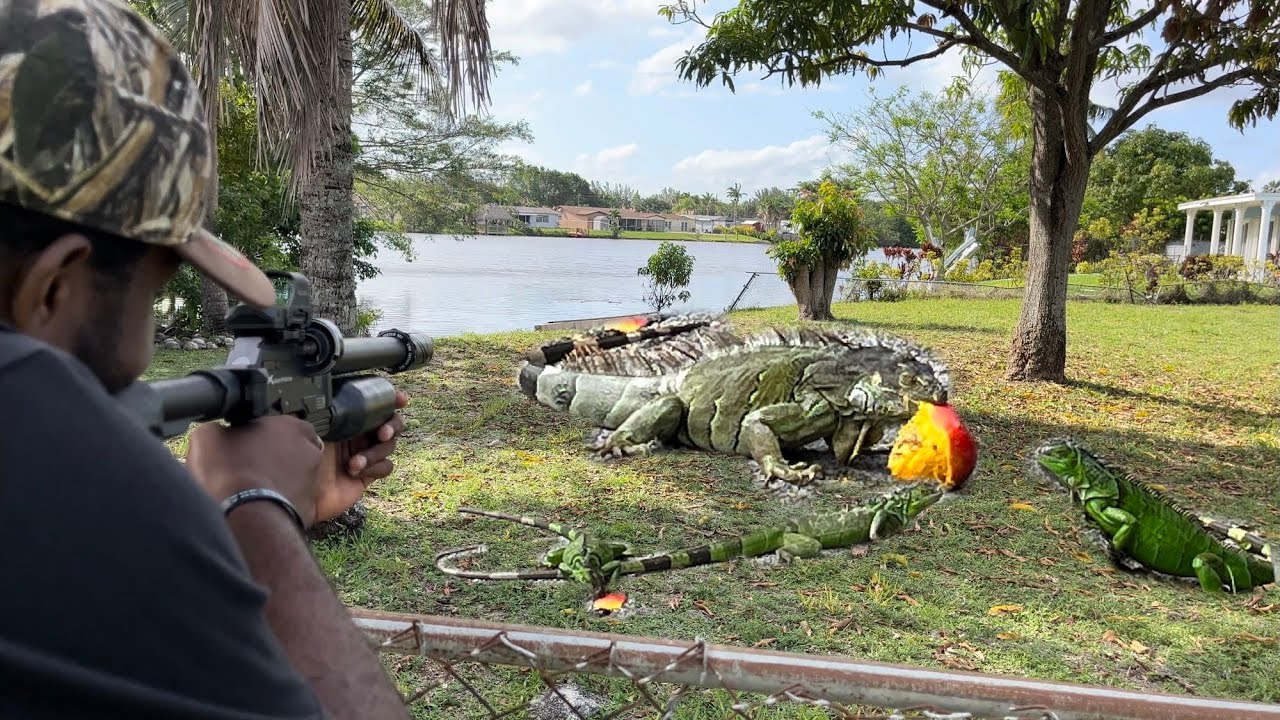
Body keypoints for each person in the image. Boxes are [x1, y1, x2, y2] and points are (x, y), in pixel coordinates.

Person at [0, 0, 413, 717]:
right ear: (55, 288)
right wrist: (253, 504)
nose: (141, 355)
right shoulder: (51, 458)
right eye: (149, 301)